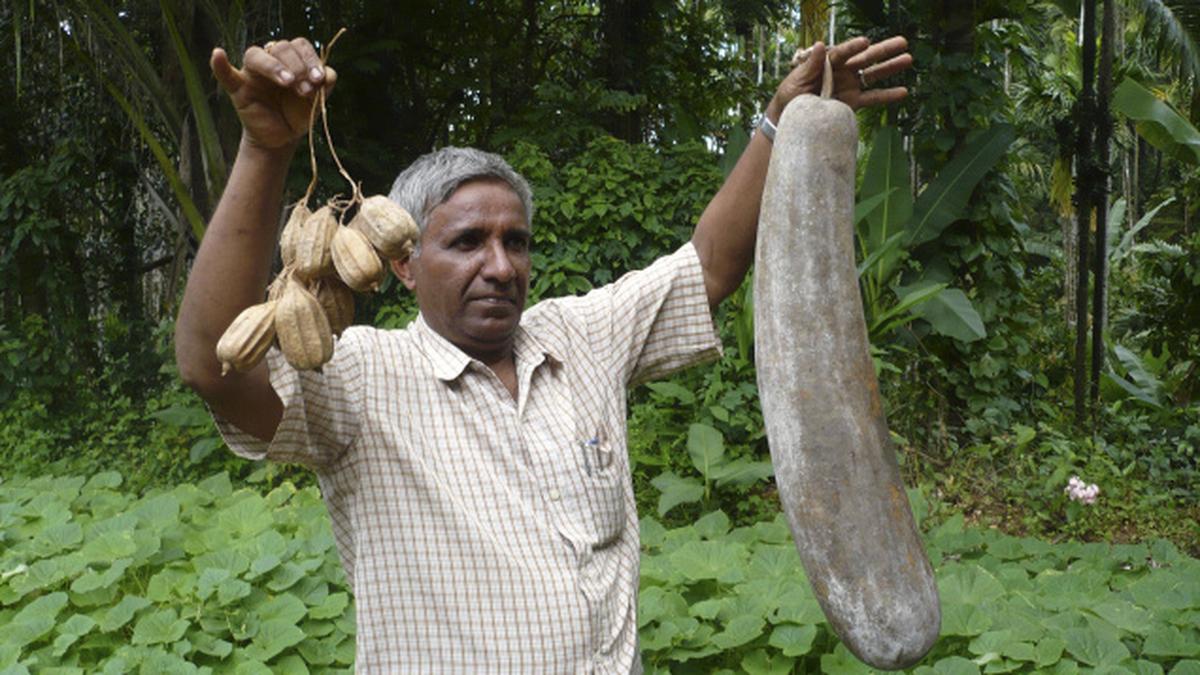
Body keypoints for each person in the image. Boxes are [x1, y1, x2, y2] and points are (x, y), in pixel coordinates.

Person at [175, 33, 912, 674]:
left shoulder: (580, 335)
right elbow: (214, 363)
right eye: (466, 242)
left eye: (515, 240)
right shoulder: (364, 378)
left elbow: (709, 265)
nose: (500, 265)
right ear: (403, 262)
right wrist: (265, 148)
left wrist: (781, 122)